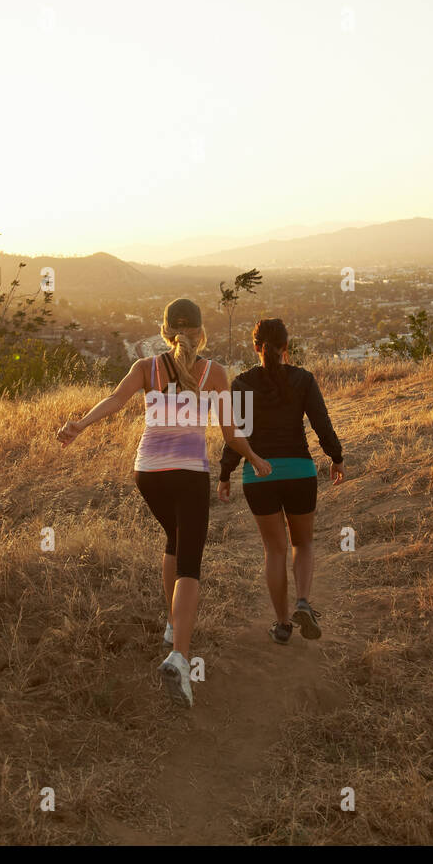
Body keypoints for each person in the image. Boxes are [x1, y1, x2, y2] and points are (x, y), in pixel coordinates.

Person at [57, 298, 269, 708]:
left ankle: (173, 626)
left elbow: (116, 401)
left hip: (148, 473)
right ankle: (180, 658)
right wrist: (256, 458)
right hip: (188, 473)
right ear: (201, 331)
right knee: (190, 559)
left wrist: (80, 425)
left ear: (166, 331)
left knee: (174, 538)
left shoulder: (146, 368)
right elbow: (229, 434)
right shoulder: (214, 373)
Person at [218, 318, 344, 645]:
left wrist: (225, 474)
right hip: (300, 472)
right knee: (302, 544)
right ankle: (303, 601)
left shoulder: (242, 383)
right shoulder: (303, 379)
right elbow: (321, 423)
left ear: (255, 347)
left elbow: (236, 434)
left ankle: (283, 624)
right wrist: (336, 457)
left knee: (275, 551)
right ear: (287, 346)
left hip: (259, 476)